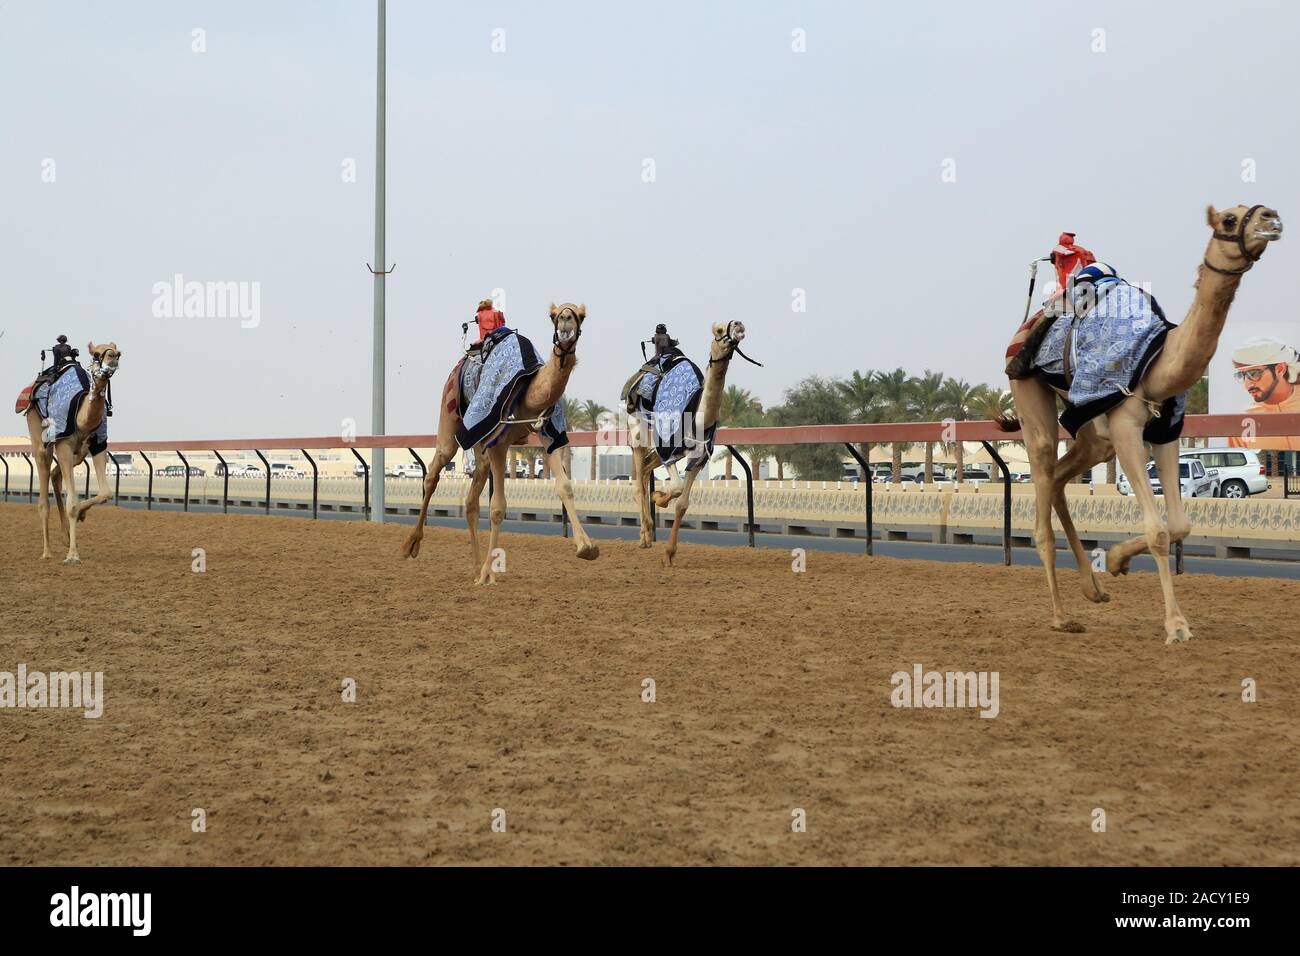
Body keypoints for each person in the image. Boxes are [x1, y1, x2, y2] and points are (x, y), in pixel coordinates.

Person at [1228, 336, 1300, 452]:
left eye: (1254, 373)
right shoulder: (1244, 421)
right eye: (1242, 375)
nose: (1248, 384)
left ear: (1280, 369)